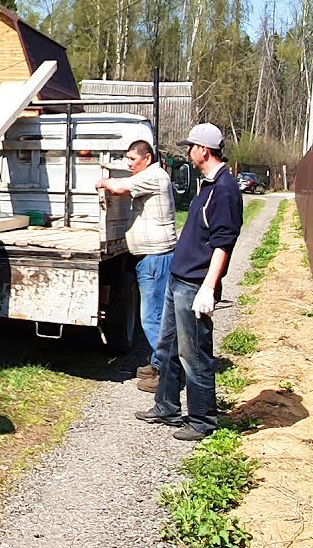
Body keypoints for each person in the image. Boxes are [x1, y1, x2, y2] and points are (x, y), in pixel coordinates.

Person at [135, 123, 242, 441]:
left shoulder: (224, 190)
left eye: (191, 148)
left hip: (195, 285)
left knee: (193, 354)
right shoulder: (208, 185)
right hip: (178, 279)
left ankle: (202, 420)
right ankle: (166, 406)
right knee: (168, 347)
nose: (188, 153)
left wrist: (209, 287)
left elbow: (223, 243)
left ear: (203, 150)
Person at [94, 139, 177, 393]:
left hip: (155, 257)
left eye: (132, 159)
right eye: (127, 159)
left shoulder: (154, 176)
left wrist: (103, 181)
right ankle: (158, 363)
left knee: (153, 318)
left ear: (147, 158)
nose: (129, 164)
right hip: (152, 258)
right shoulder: (152, 175)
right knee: (155, 316)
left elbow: (119, 187)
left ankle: (167, 374)